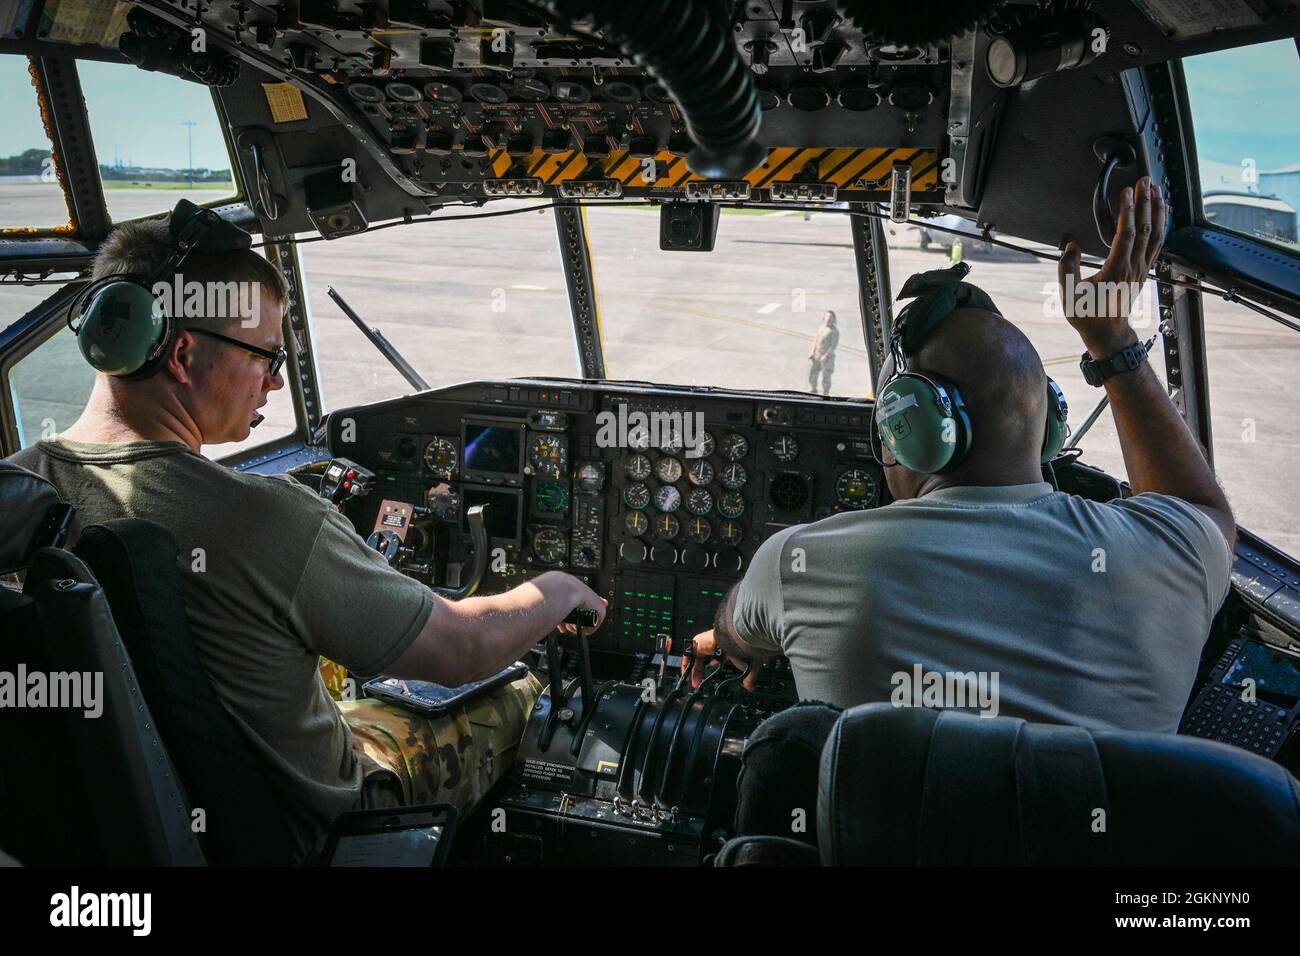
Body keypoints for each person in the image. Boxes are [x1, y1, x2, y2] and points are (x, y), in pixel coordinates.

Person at [7, 201, 605, 862]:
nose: (275, 379)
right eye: (266, 355)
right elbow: (462, 648)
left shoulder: (13, 500)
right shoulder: (262, 518)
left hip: (93, 840)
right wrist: (558, 589)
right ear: (181, 354)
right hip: (305, 832)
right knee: (518, 687)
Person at [686, 176, 1233, 736]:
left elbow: (734, 632)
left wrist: (720, 637)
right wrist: (1111, 340)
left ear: (910, 426)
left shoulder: (799, 564)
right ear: (1048, 421)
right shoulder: (1167, 554)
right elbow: (1199, 507)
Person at [806, 310, 839, 395]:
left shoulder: (834, 331)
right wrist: (812, 352)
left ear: (833, 319)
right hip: (817, 355)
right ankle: (813, 390)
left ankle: (825, 393)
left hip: (827, 358)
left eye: (830, 317)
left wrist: (826, 356)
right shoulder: (821, 327)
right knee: (813, 373)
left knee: (826, 376)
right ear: (824, 318)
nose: (828, 319)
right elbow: (816, 340)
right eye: (827, 317)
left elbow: (833, 346)